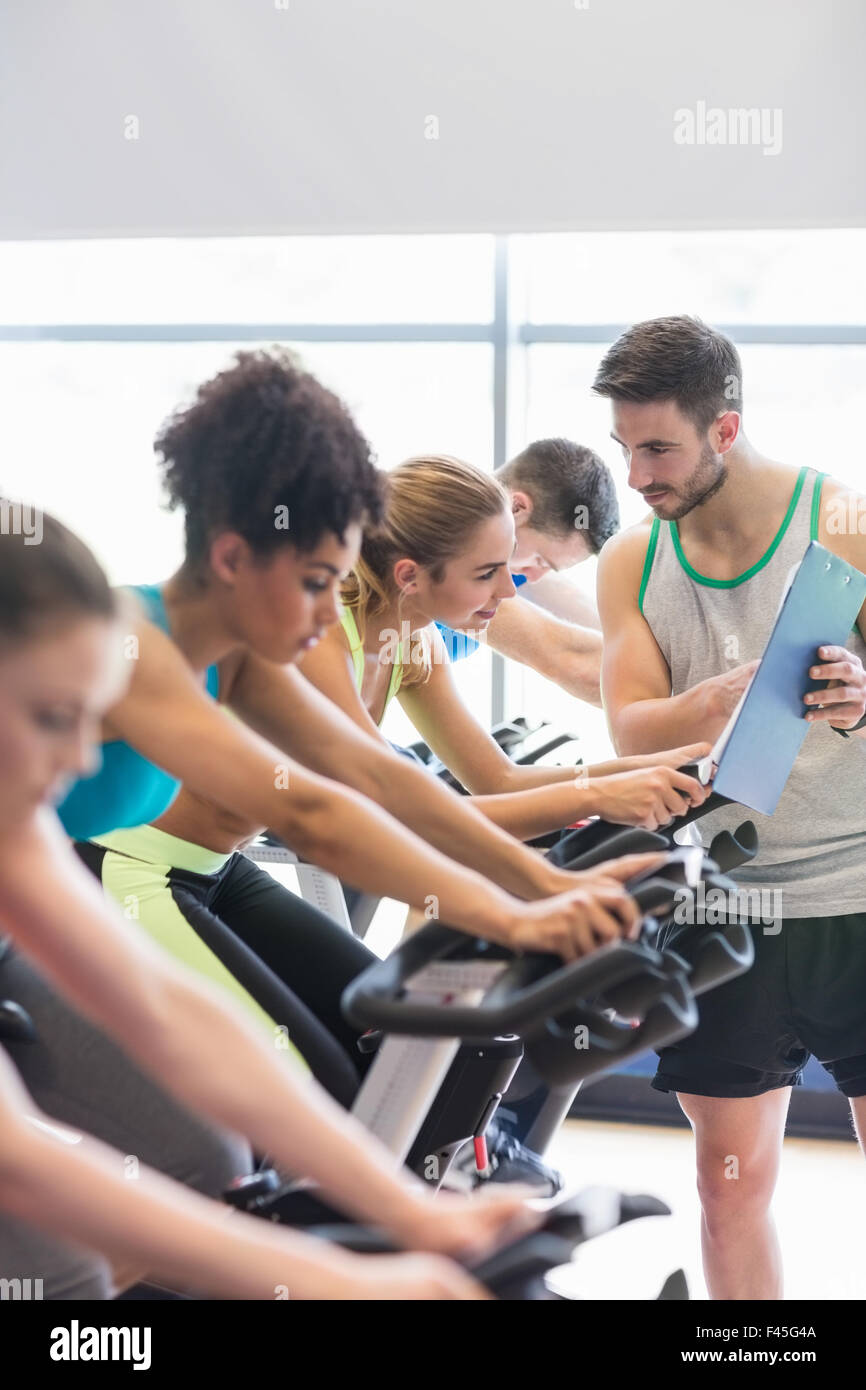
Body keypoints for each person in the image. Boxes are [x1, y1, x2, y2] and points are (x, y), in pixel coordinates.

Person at [0, 512, 541, 1301]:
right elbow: (21, 1160)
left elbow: (164, 1007)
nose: (86, 756)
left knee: (210, 1157)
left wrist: (416, 1218)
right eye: (53, 718)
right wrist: (347, 1281)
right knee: (62, 1273)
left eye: (91, 717)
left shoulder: (20, 826)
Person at [594, 314, 866, 1301]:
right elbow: (630, 730)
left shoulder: (842, 519)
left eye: (655, 446)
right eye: (621, 448)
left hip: (858, 892)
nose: (634, 474)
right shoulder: (631, 559)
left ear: (722, 429)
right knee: (724, 1183)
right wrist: (719, 695)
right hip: (723, 907)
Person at [299, 452, 708, 843]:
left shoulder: (417, 644)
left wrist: (641, 768)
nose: (511, 589)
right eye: (487, 573)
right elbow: (408, 817)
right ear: (411, 576)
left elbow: (498, 781)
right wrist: (597, 795)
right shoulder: (322, 635)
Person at [435, 439, 618, 703]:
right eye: (541, 560)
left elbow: (604, 622)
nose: (532, 575)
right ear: (516, 509)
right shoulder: (448, 546)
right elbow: (571, 661)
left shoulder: (513, 553)